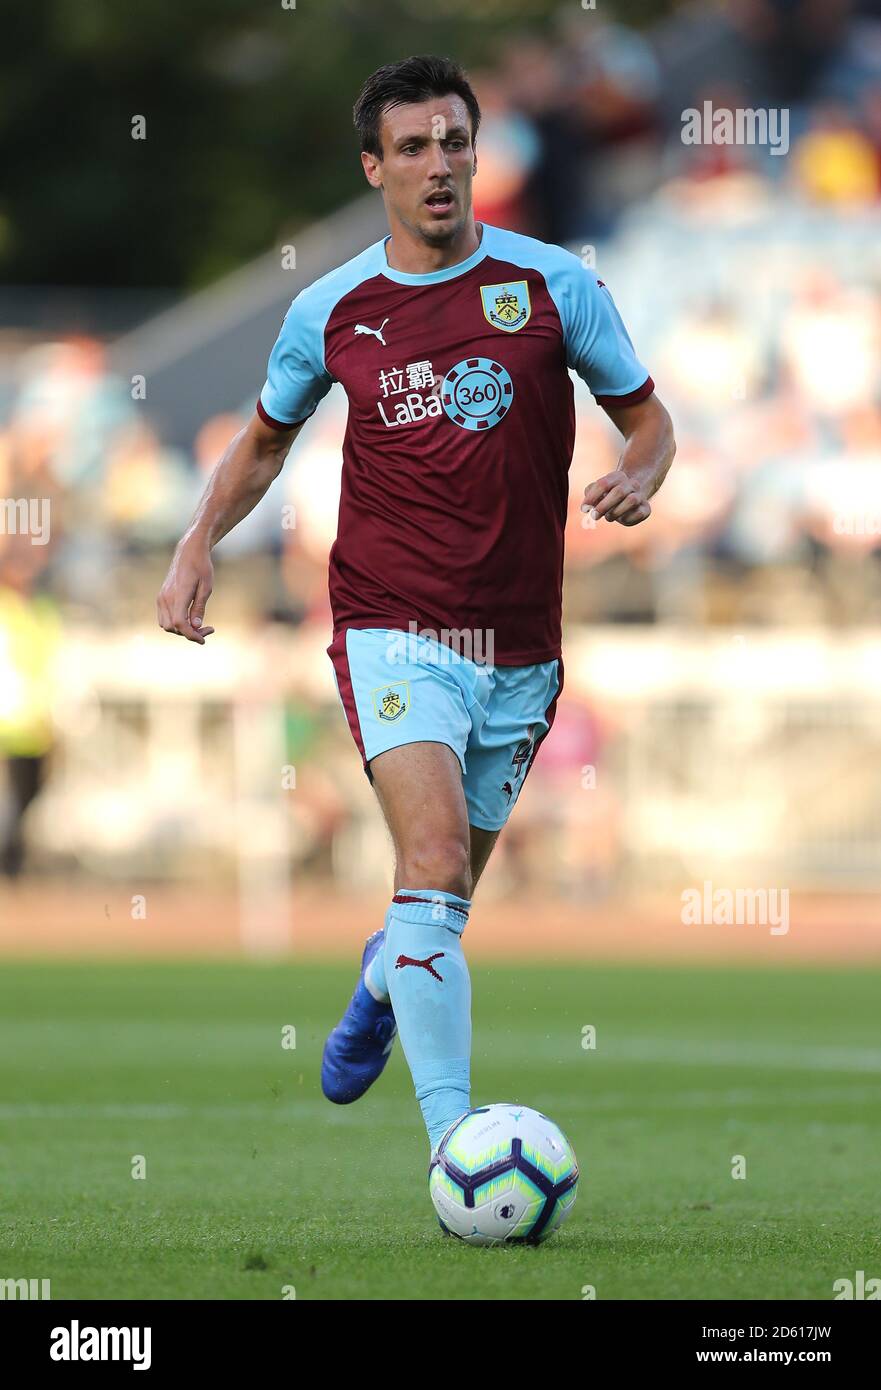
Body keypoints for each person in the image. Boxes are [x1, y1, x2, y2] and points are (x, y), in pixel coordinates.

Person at [157, 55, 675, 1159]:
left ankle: (383, 970)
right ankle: (457, 1145)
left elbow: (649, 419)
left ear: (476, 156)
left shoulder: (551, 285)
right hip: (393, 626)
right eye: (412, 148)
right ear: (374, 168)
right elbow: (261, 443)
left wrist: (643, 469)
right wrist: (197, 542)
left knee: (434, 898)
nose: (437, 165)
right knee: (432, 861)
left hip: (522, 645)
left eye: (453, 143)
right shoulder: (330, 308)